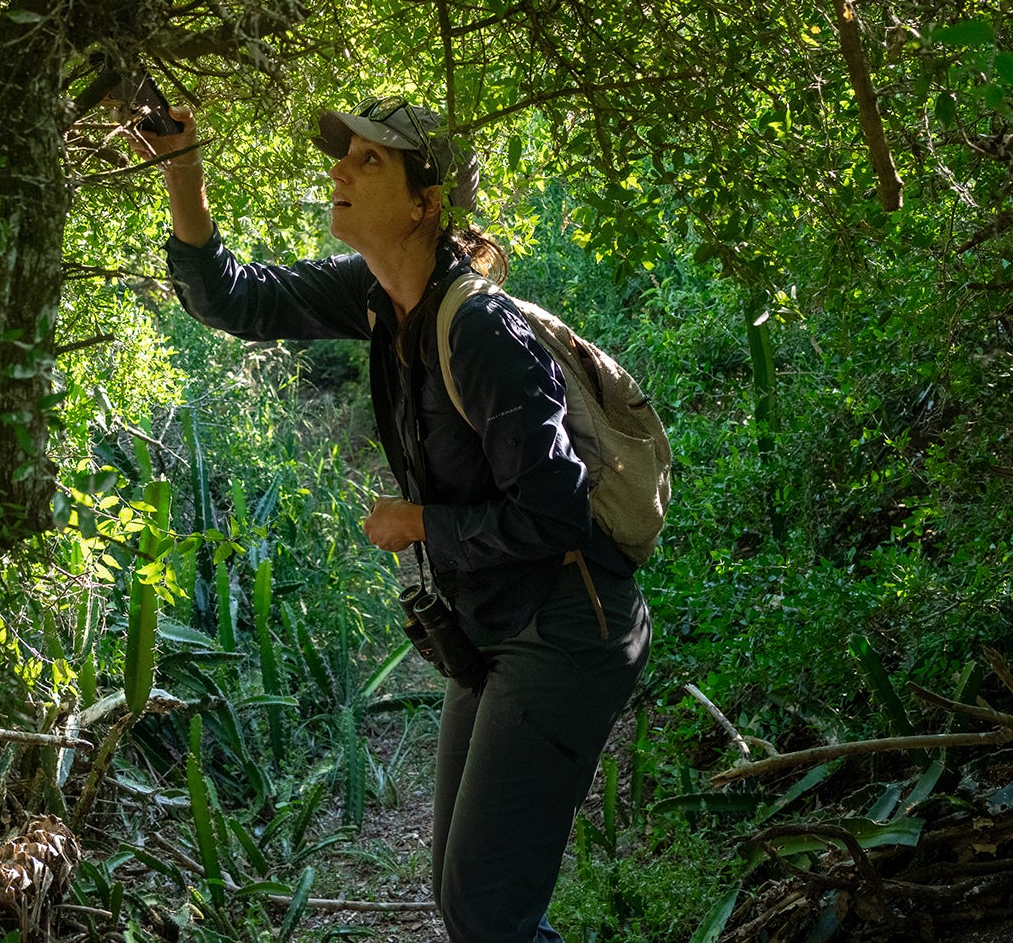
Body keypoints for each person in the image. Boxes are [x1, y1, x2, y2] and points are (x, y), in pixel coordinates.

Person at [133, 96, 651, 943]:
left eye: (370, 159)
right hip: (494, 625)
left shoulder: (480, 329)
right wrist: (180, 166)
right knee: (463, 899)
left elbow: (555, 511)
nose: (340, 167)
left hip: (567, 625)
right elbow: (234, 299)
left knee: (486, 909)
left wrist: (419, 522)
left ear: (425, 203)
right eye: (346, 153)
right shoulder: (377, 295)